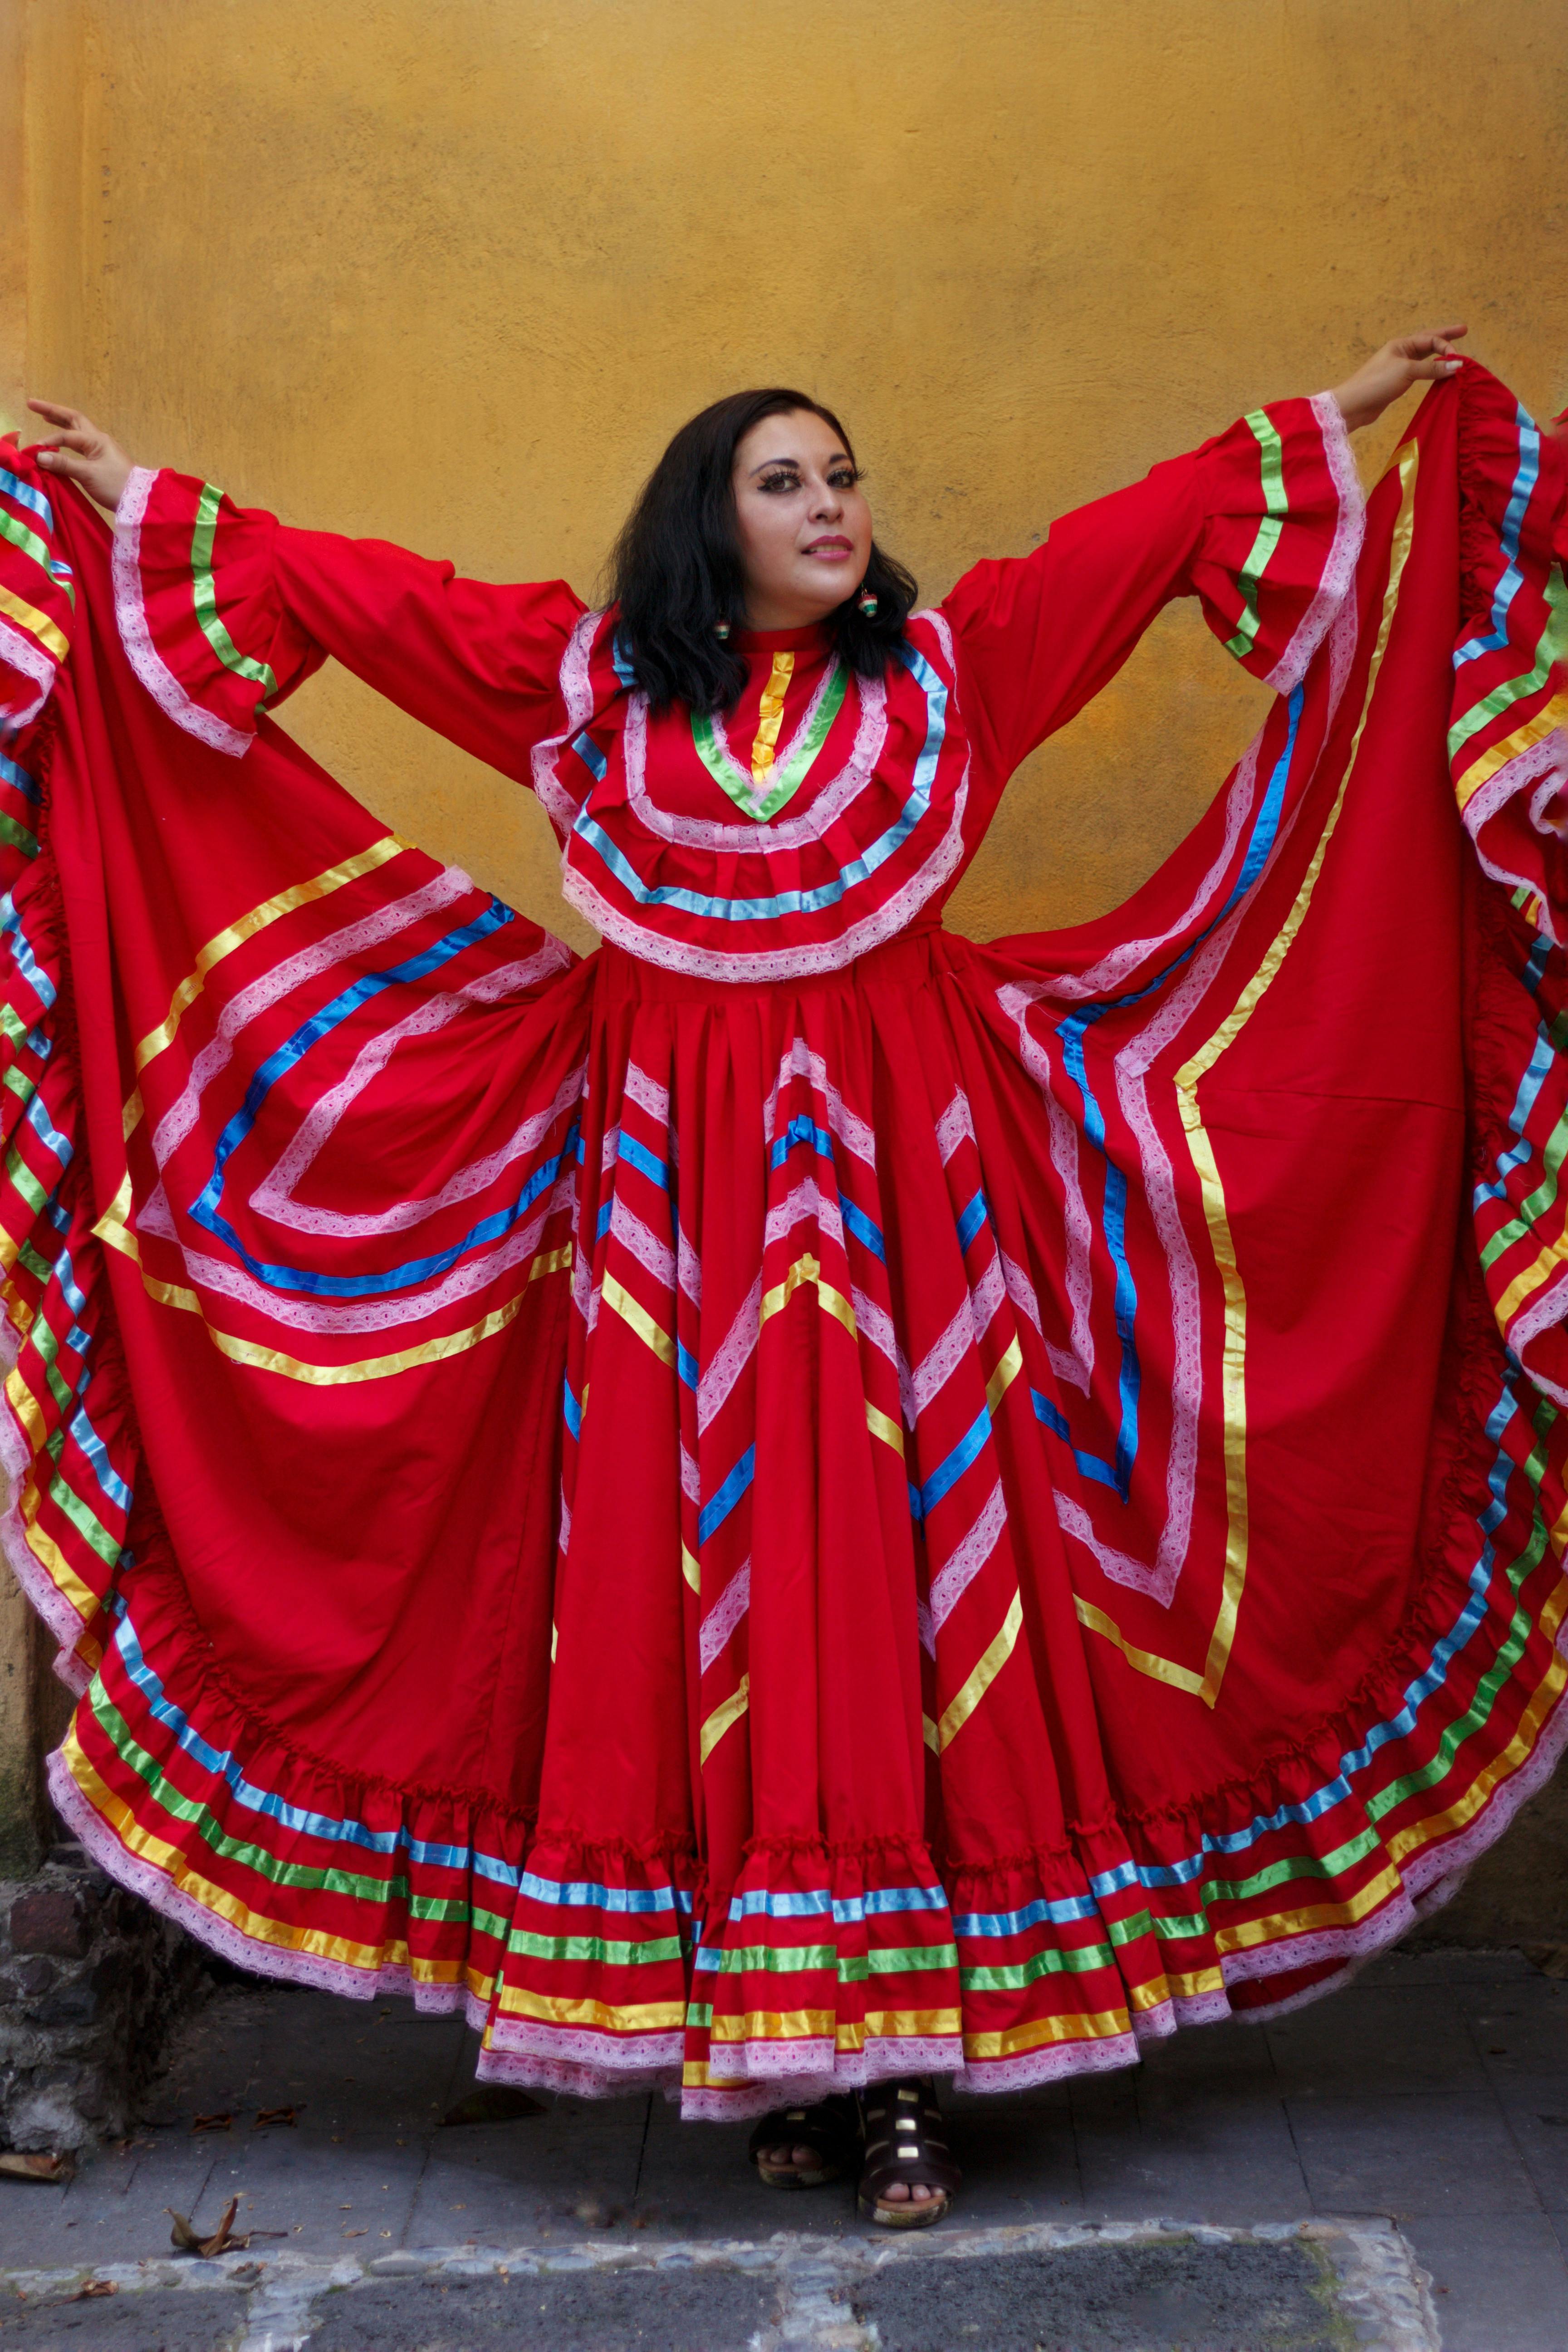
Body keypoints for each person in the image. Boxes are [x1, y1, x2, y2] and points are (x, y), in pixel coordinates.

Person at [4, 324, 1563, 2232]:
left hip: (924, 1216)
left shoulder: (946, 675)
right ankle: (778, 2047)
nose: (834, 510)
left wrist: (1346, 411)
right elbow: (365, 599)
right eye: (787, 483)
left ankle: (906, 2076)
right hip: (664, 1236)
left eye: (843, 480)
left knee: (910, 1594)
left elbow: (1143, 541)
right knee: (709, 1607)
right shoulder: (586, 688)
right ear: (708, 524)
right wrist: (142, 510)